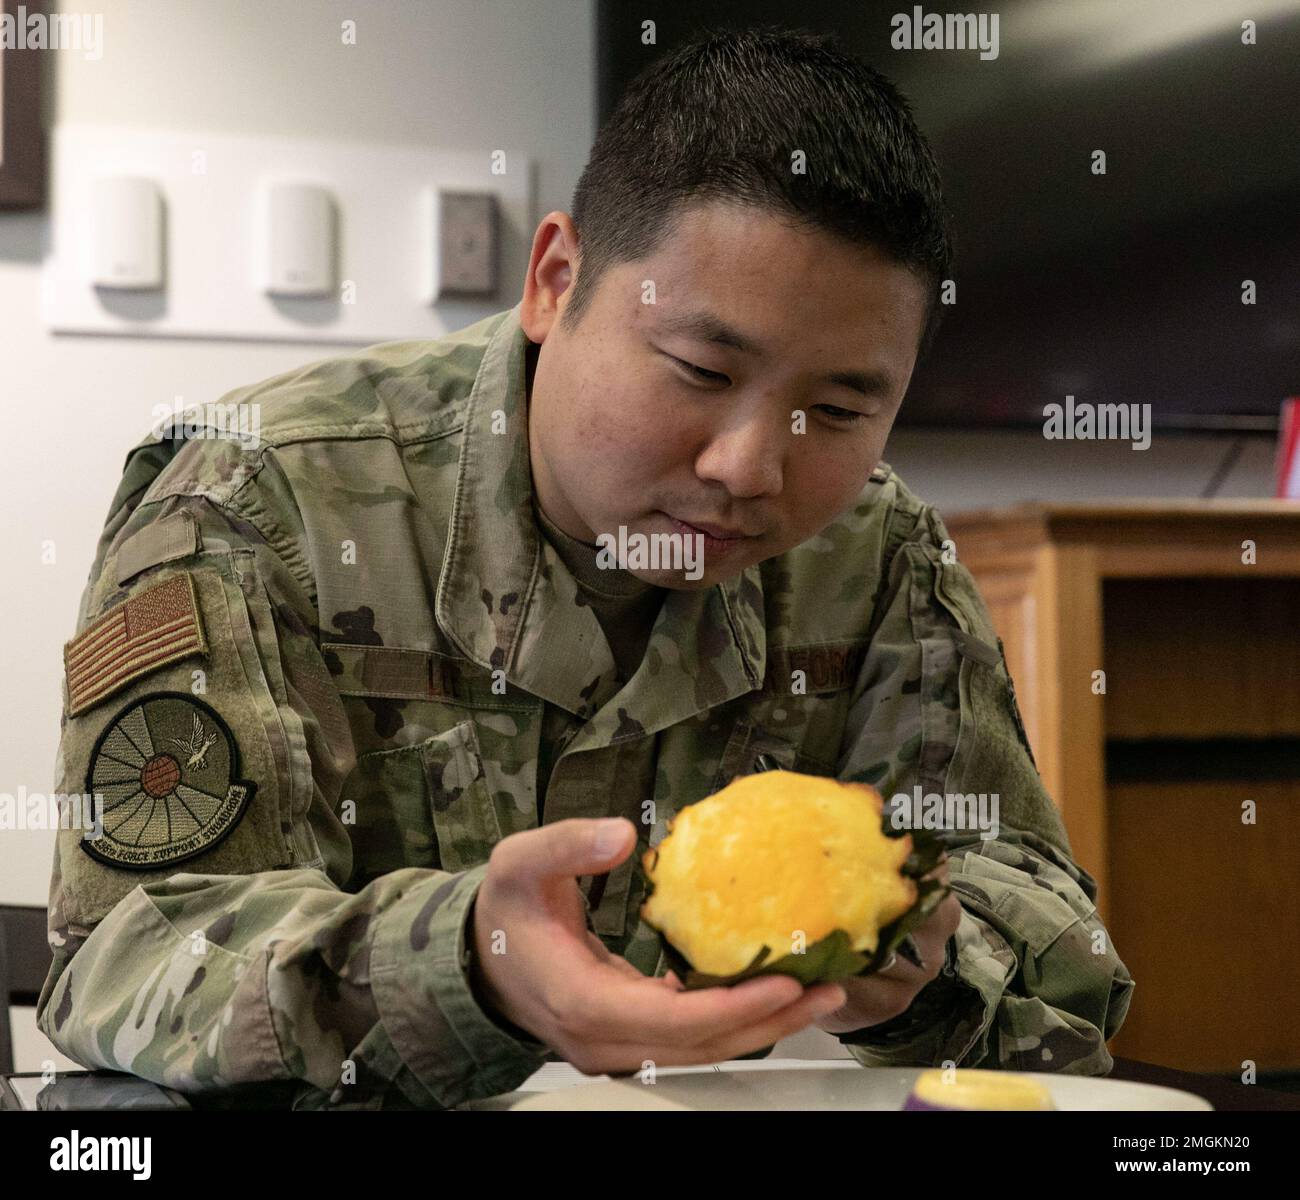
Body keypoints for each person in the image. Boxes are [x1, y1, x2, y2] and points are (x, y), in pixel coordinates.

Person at [36, 27, 1133, 1110]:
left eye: (839, 410)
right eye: (702, 369)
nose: (749, 468)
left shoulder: (878, 552)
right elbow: (137, 947)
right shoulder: (258, 494)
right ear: (556, 279)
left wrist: (924, 965)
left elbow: (1063, 974)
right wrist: (472, 963)